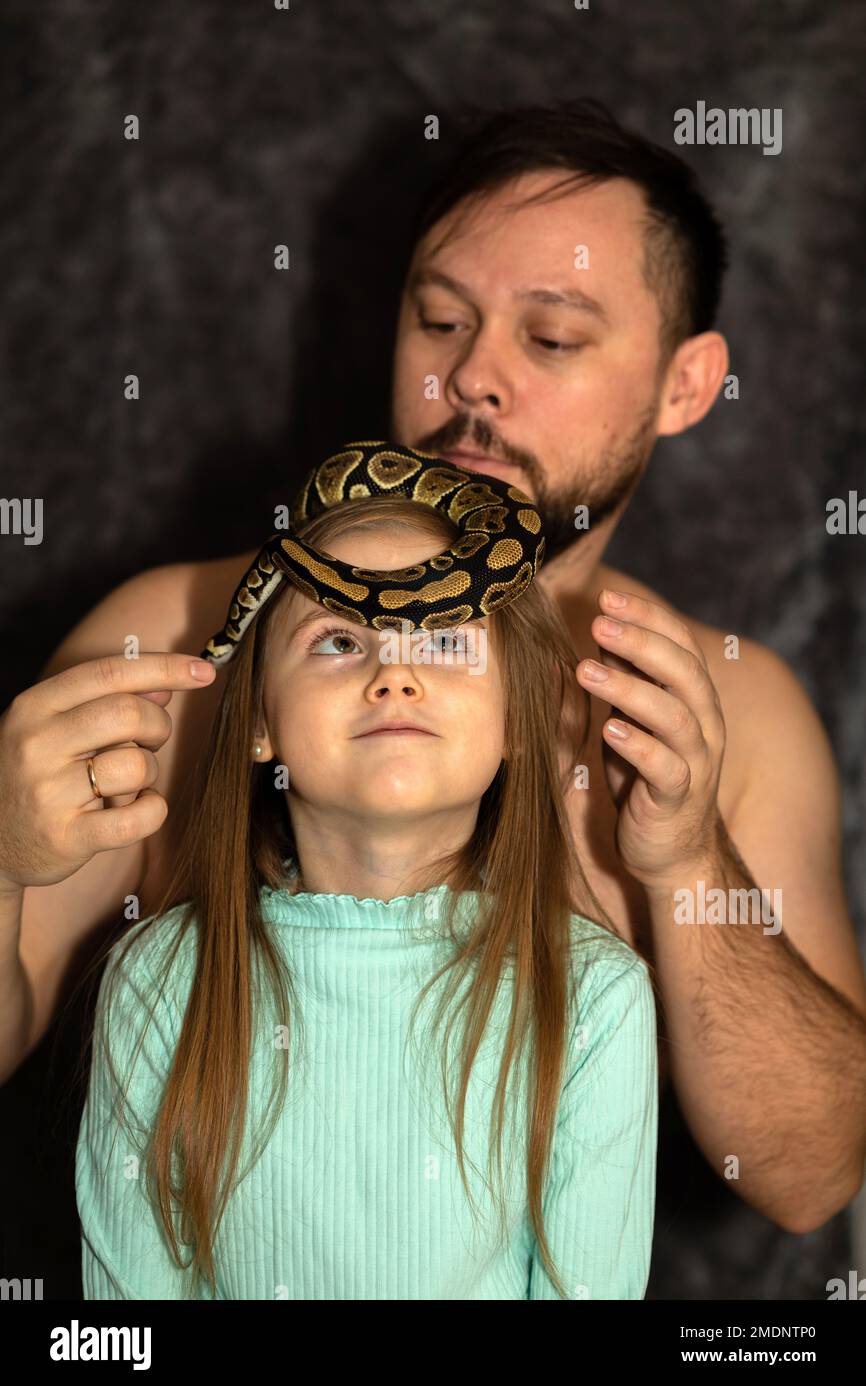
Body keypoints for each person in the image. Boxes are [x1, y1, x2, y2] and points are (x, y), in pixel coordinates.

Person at [2, 100, 864, 1242]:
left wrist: (688, 858)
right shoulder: (180, 641)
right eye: (439, 320)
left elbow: (809, 1176)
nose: (471, 379)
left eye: (549, 338)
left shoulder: (731, 715)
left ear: (685, 383)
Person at [74, 462, 658, 1299]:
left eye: (447, 640)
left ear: (518, 725)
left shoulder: (598, 1000)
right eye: (340, 640)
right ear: (260, 724)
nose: (395, 673)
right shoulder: (159, 980)